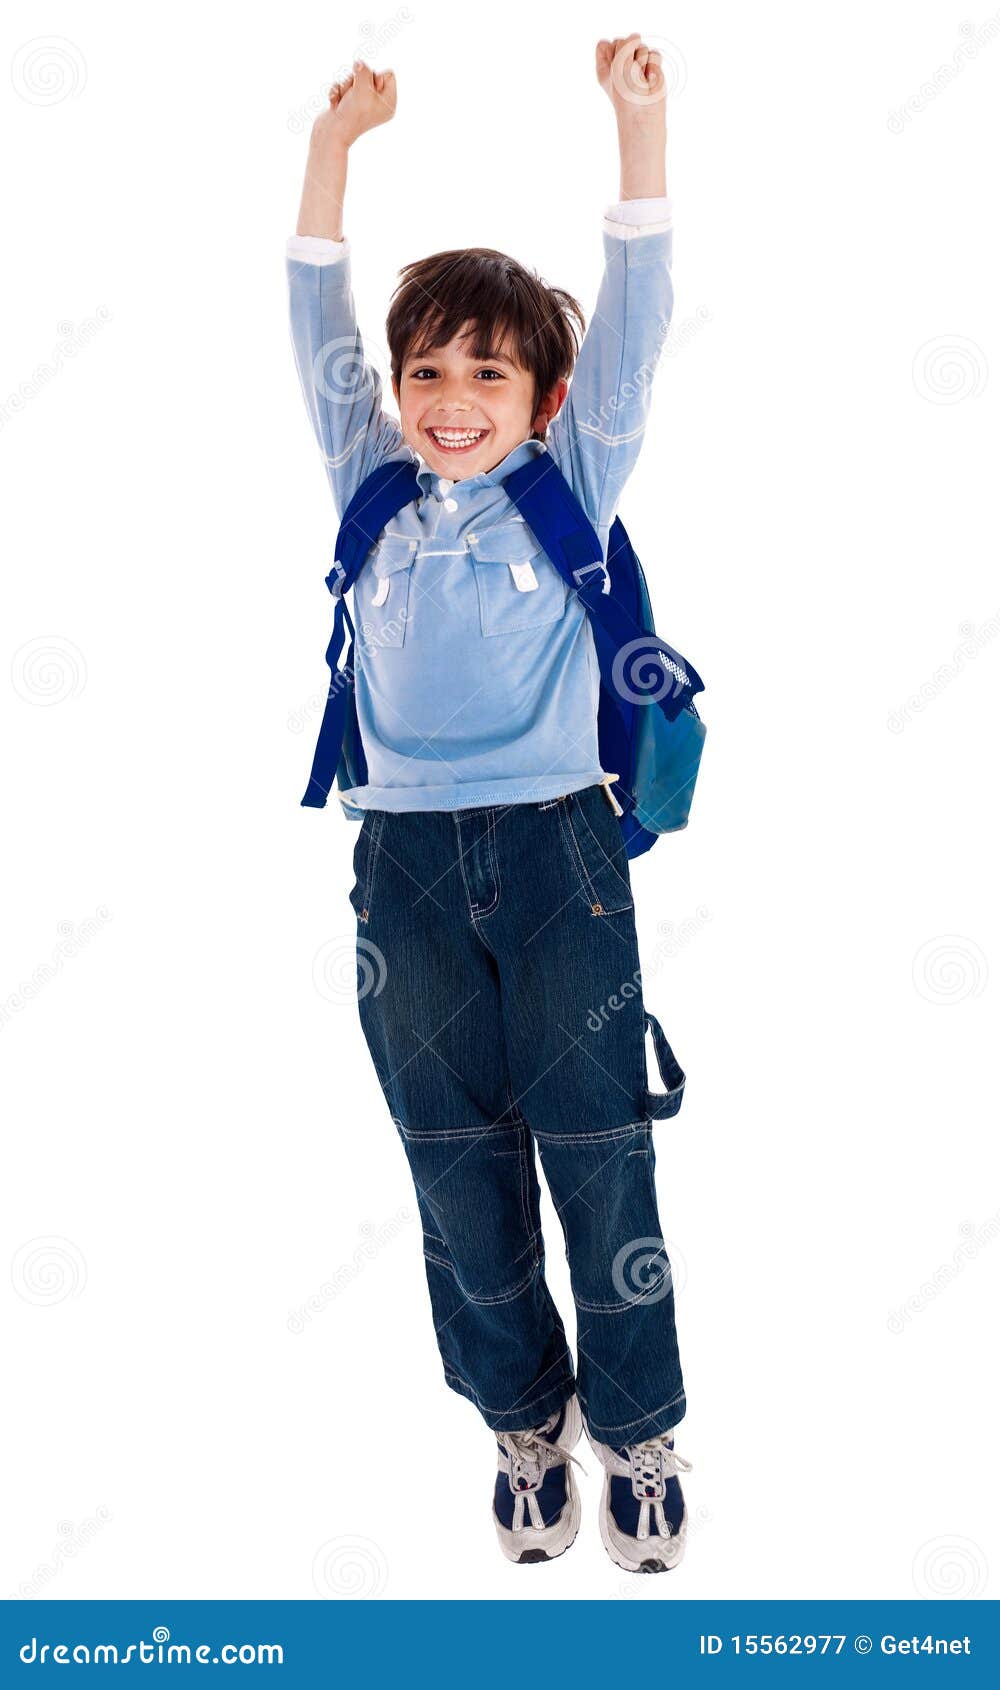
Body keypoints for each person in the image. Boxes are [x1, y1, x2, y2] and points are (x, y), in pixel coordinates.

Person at [286, 34, 691, 1574]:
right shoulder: (366, 481)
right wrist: (338, 152)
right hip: (398, 867)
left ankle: (640, 1433)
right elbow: (307, 303)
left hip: (559, 852)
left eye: (488, 371)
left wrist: (637, 131)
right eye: (427, 370)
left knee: (601, 1151)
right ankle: (526, 1424)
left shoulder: (571, 479)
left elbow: (642, 319)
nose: (452, 398)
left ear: (546, 394)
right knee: (454, 1162)